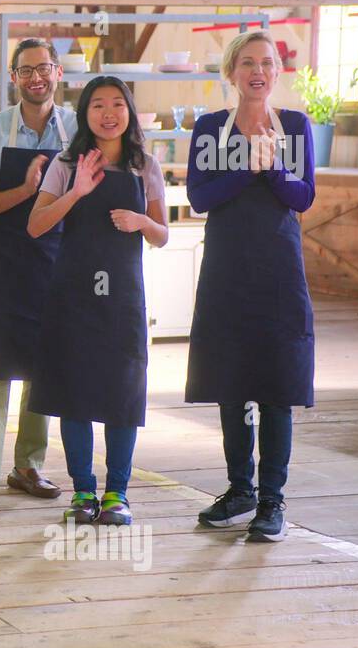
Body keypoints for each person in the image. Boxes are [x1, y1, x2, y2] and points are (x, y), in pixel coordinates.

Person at [187, 30, 316, 542]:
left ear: (277, 73)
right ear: (231, 72)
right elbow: (200, 195)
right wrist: (246, 166)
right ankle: (239, 490)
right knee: (232, 384)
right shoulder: (210, 128)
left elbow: (302, 196)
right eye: (247, 63)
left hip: (279, 275)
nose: (257, 71)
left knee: (277, 387)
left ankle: (271, 501)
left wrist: (274, 167)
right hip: (226, 274)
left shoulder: (297, 126)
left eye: (266, 63)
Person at [27, 76, 169, 526]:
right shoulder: (66, 163)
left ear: (128, 112)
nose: (109, 114)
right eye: (98, 106)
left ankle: (117, 494)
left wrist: (141, 220)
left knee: (122, 393)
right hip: (74, 294)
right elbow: (36, 226)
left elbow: (163, 235)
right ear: (84, 114)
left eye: (117, 105)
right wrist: (76, 192)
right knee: (75, 394)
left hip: (123, 298)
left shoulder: (145, 164)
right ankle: (83, 491)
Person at [0, 38, 75, 511]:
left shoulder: (77, 132)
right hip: (4, 263)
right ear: (14, 78)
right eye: (25, 71)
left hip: (58, 261)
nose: (35, 78)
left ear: (58, 73)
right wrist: (27, 190)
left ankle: (28, 466)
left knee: (41, 370)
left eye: (43, 68)